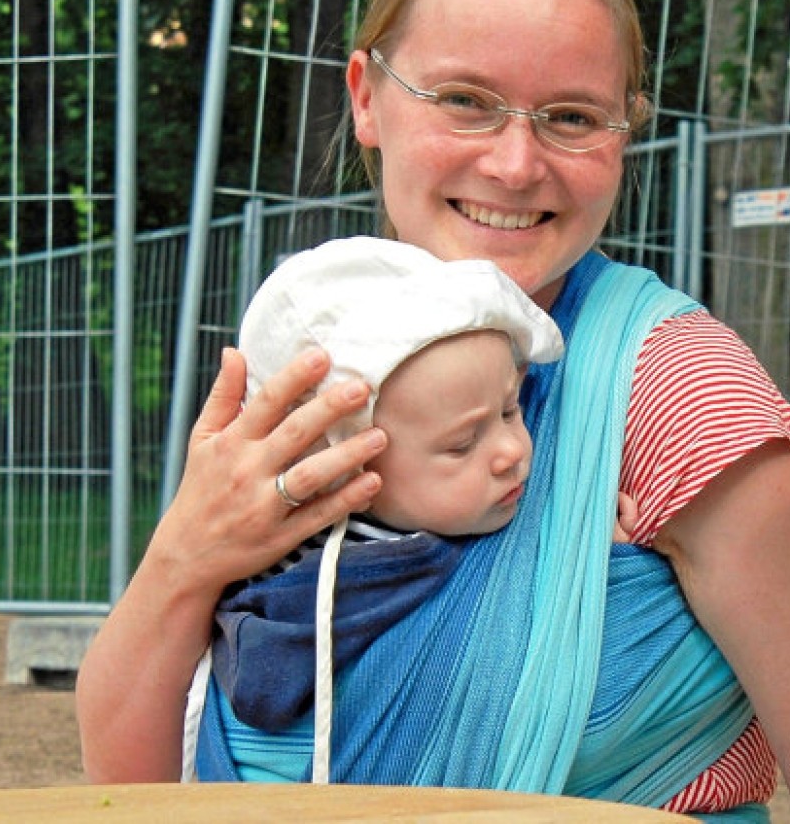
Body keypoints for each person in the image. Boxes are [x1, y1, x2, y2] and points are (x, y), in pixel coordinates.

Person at [75, 0, 790, 820]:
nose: (516, 164)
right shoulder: (320, 364)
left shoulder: (679, 393)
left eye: (572, 117)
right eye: (464, 100)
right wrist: (184, 558)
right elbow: (128, 786)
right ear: (367, 98)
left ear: (627, 128)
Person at [181, 235, 565, 781]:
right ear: (346, 466)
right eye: (460, 444)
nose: (511, 452)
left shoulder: (480, 497)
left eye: (510, 409)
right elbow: (262, 686)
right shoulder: (318, 580)